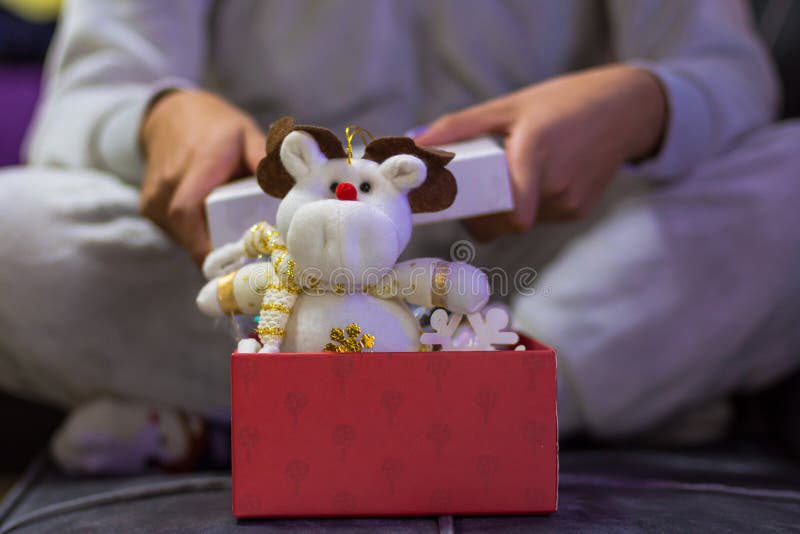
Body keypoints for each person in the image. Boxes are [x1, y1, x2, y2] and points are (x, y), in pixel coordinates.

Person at [1, 0, 799, 472]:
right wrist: (154, 117)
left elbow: (728, 72)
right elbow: (85, 100)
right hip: (283, 288)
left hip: (543, 265)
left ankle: (264, 431)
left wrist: (648, 102)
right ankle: (553, 405)